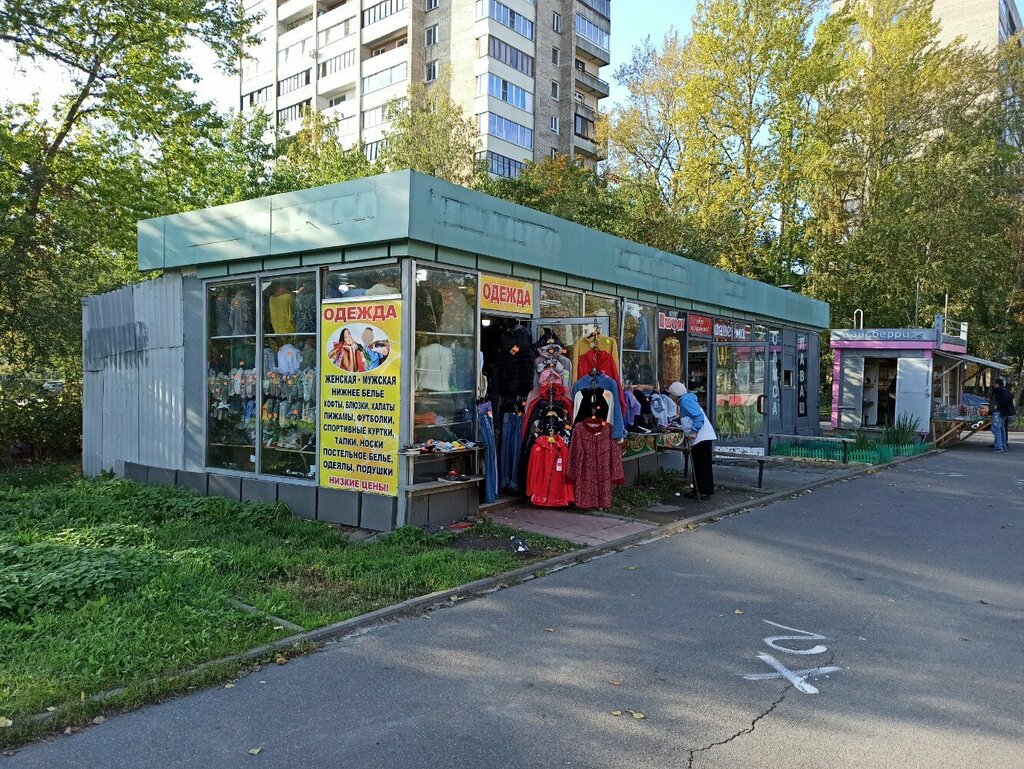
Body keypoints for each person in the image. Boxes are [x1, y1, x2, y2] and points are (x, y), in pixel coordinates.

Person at [667, 381, 717, 500]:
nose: (669, 396)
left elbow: (698, 416)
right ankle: (699, 490)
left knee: (701, 465)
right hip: (702, 437)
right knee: (699, 465)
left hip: (701, 437)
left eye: (670, 394)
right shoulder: (686, 400)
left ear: (675, 394)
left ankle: (703, 492)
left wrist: (694, 431)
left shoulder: (685, 401)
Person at [990, 377, 1014, 452]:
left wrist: (997, 406)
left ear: (997, 384)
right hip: (1003, 412)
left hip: (999, 412)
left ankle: (999, 447)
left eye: (994, 384)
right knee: (1001, 429)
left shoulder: (1000, 391)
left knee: (996, 429)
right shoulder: (1004, 390)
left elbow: (1003, 401)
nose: (993, 385)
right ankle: (1003, 446)